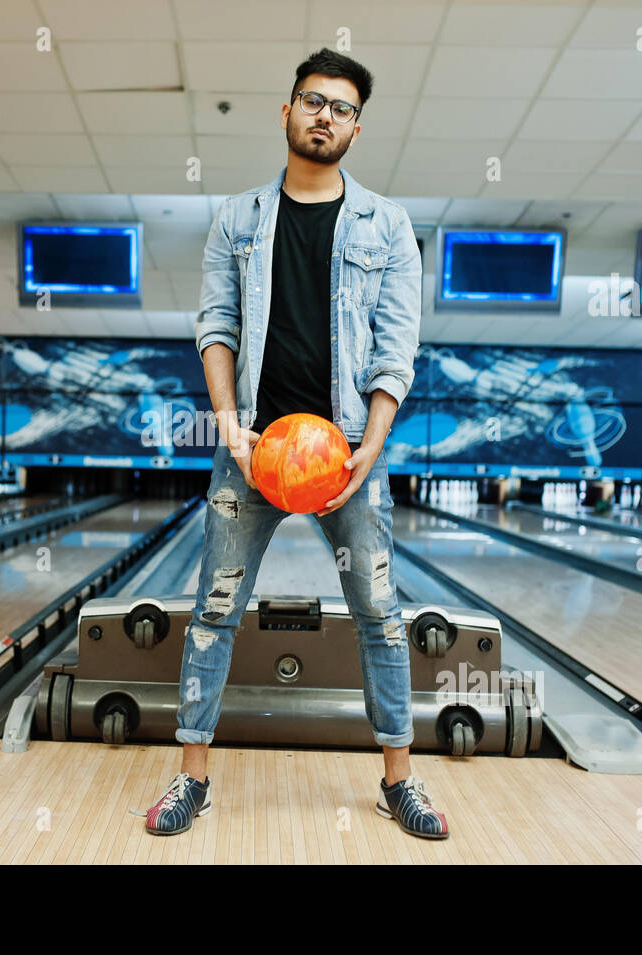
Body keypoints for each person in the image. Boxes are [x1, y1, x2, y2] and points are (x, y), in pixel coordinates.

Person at [143, 49, 446, 839]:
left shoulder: (389, 225)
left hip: (345, 455)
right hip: (253, 449)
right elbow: (216, 327)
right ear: (286, 112)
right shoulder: (238, 219)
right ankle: (192, 779)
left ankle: (399, 780)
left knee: (380, 614)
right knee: (214, 610)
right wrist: (230, 429)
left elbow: (395, 351)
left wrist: (371, 450)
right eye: (313, 101)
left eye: (342, 108)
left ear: (356, 126)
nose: (326, 116)